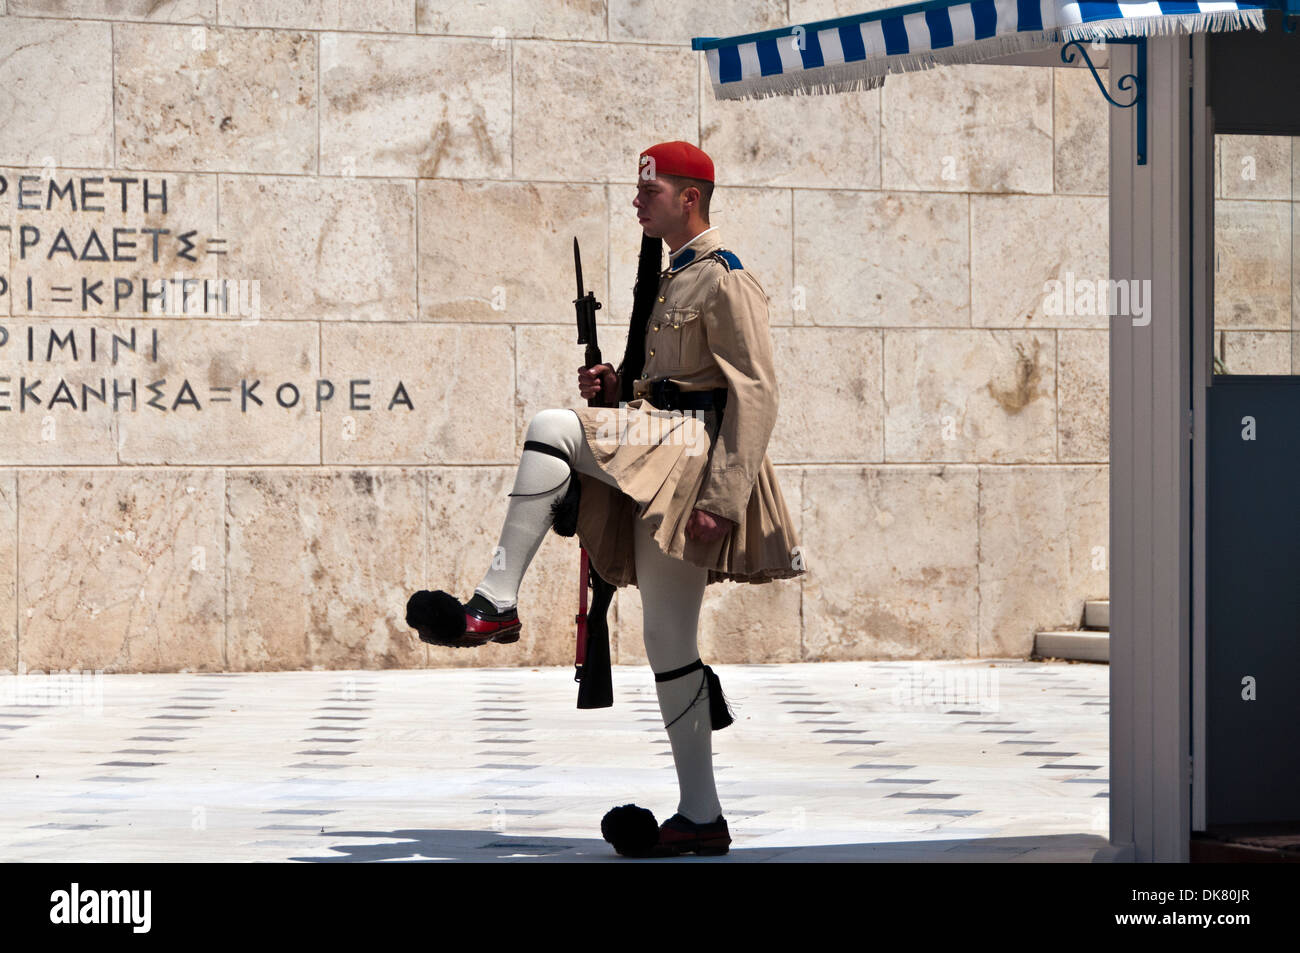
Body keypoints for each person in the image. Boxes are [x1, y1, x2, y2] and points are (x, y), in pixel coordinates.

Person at [407, 140, 804, 857]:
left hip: (692, 461)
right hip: (663, 446)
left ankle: (494, 602)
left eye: (648, 192)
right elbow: (673, 381)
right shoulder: (672, 278)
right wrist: (620, 391)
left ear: (690, 197)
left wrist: (723, 495)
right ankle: (702, 816)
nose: (636, 201)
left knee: (552, 427)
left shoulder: (726, 279)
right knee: (668, 642)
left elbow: (756, 392)